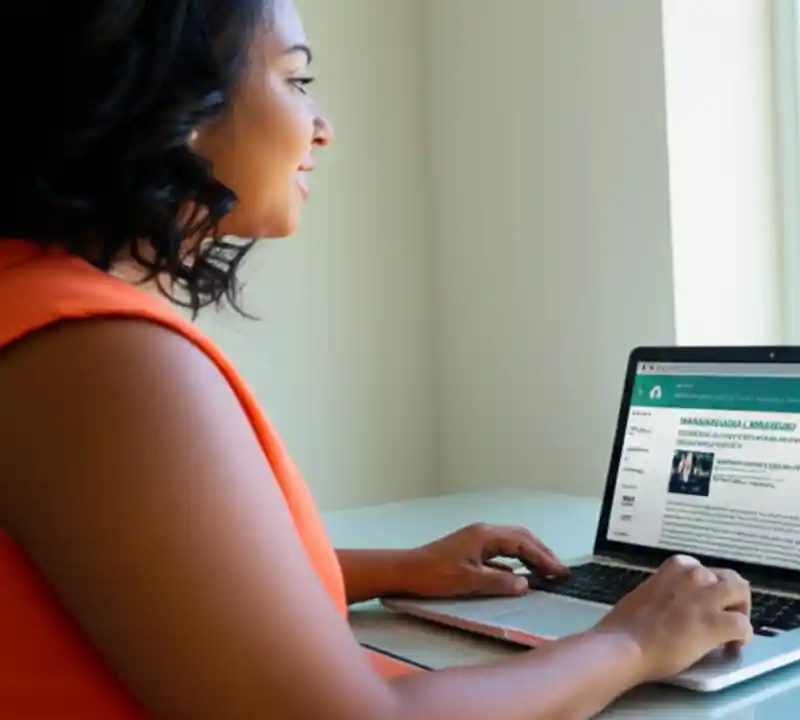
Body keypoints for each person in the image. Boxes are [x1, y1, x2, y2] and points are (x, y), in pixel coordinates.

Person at [0, 2, 752, 718]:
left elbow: (143, 581)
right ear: (174, 102)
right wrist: (630, 642)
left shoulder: (38, 309)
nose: (321, 128)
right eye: (296, 81)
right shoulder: (100, 357)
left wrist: (401, 568)